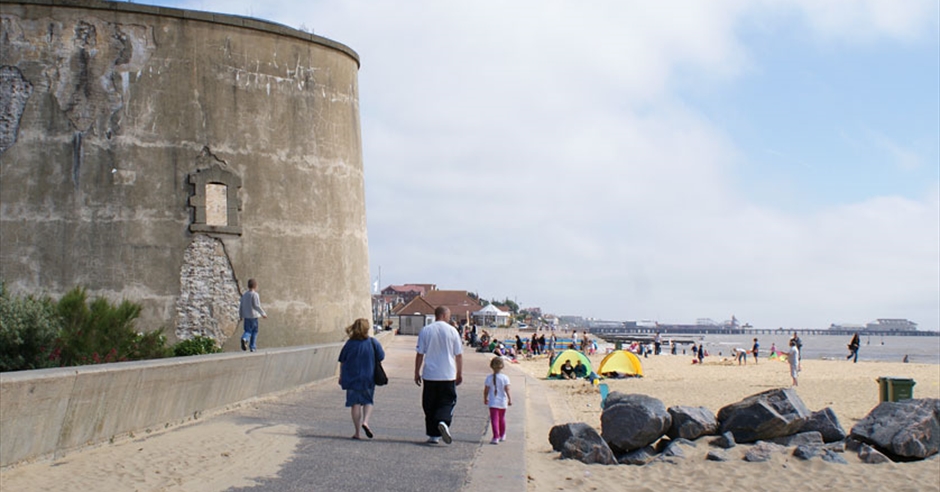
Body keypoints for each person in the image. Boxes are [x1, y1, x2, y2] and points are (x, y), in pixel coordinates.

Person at [415, 306, 463, 445]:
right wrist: (459, 372)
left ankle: (433, 435)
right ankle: (443, 421)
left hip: (430, 373)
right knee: (447, 401)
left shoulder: (426, 330)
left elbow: (420, 354)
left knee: (429, 404)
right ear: (444, 315)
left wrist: (416, 372)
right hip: (447, 373)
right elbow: (458, 355)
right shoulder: (452, 331)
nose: (449, 318)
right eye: (449, 315)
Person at [338, 318, 384, 440]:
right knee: (368, 401)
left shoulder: (349, 344)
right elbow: (381, 356)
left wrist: (341, 376)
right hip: (368, 377)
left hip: (352, 377)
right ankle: (366, 422)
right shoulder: (373, 342)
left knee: (355, 404)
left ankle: (357, 432)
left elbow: (342, 361)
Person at [483, 357, 512, 445]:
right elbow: (507, 389)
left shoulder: (489, 378)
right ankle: (502, 434)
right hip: (502, 401)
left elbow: (486, 390)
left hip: (493, 401)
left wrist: (485, 398)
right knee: (502, 418)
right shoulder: (505, 378)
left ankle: (496, 436)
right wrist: (510, 399)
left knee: (494, 419)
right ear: (502, 366)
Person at [238, 278, 267, 352]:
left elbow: (241, 306)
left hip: (246, 316)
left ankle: (245, 338)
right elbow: (256, 305)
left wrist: (240, 315)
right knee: (254, 331)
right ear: (255, 286)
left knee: (247, 330)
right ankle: (252, 347)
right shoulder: (255, 295)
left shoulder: (244, 295)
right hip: (253, 316)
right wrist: (263, 313)